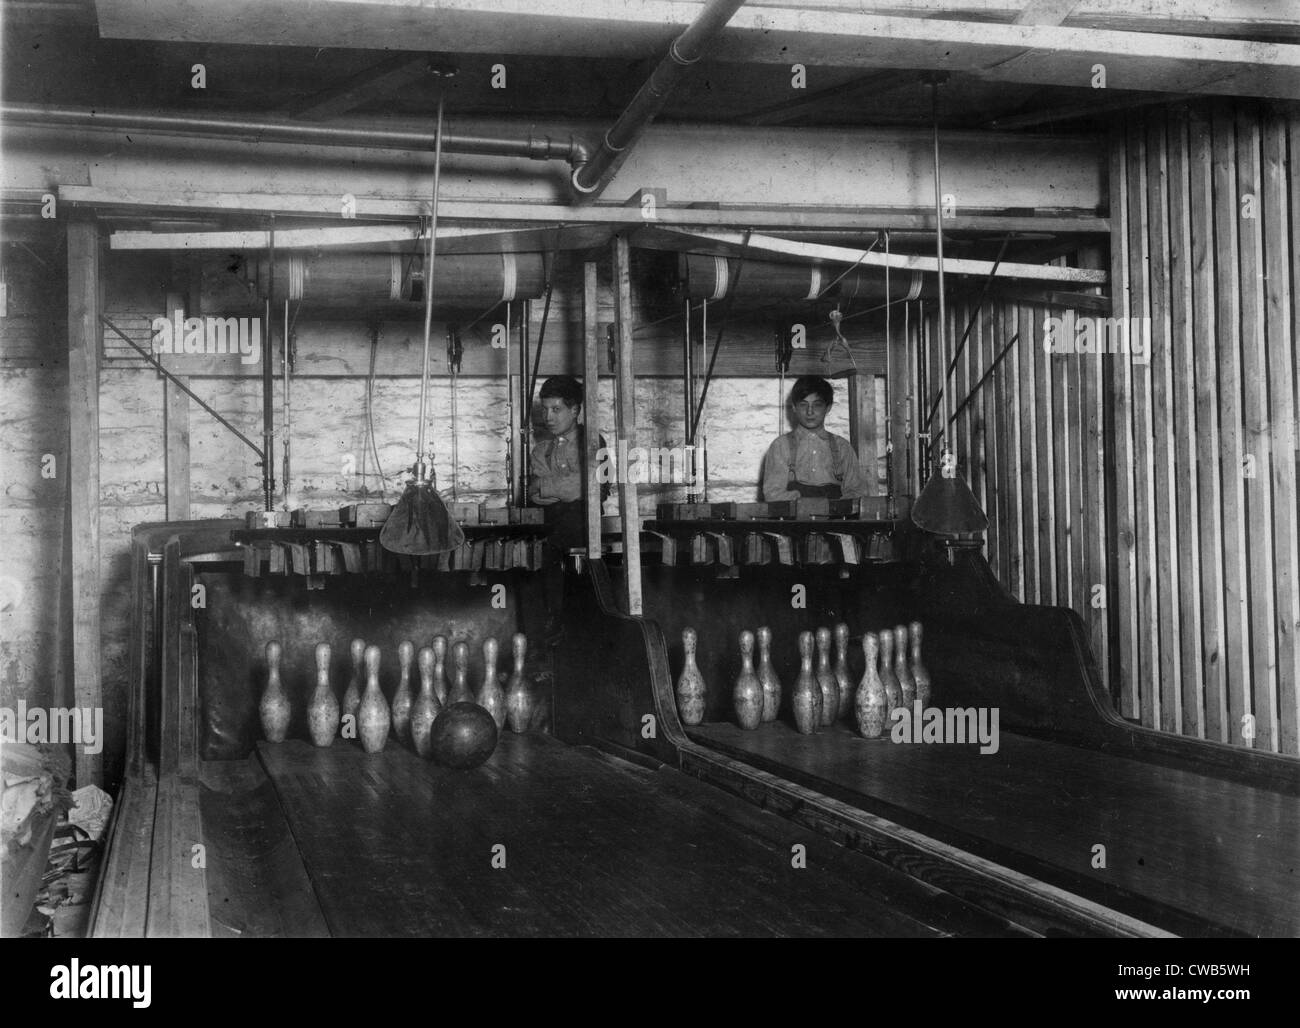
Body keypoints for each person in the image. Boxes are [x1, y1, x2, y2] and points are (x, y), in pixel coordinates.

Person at [529, 376, 606, 640]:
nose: (548, 417)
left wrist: (550, 487)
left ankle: (561, 620)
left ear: (575, 410)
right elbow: (532, 492)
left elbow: (590, 487)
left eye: (556, 409)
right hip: (554, 525)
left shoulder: (594, 443)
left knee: (555, 547)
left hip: (585, 524)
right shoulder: (540, 450)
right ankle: (555, 622)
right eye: (545, 409)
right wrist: (571, 485)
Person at [761, 375, 869, 502]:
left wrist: (833, 506)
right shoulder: (781, 446)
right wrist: (802, 500)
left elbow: (856, 492)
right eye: (803, 405)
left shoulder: (842, 447)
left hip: (835, 519)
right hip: (795, 520)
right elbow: (772, 494)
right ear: (794, 408)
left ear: (828, 408)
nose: (810, 412)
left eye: (817, 405)